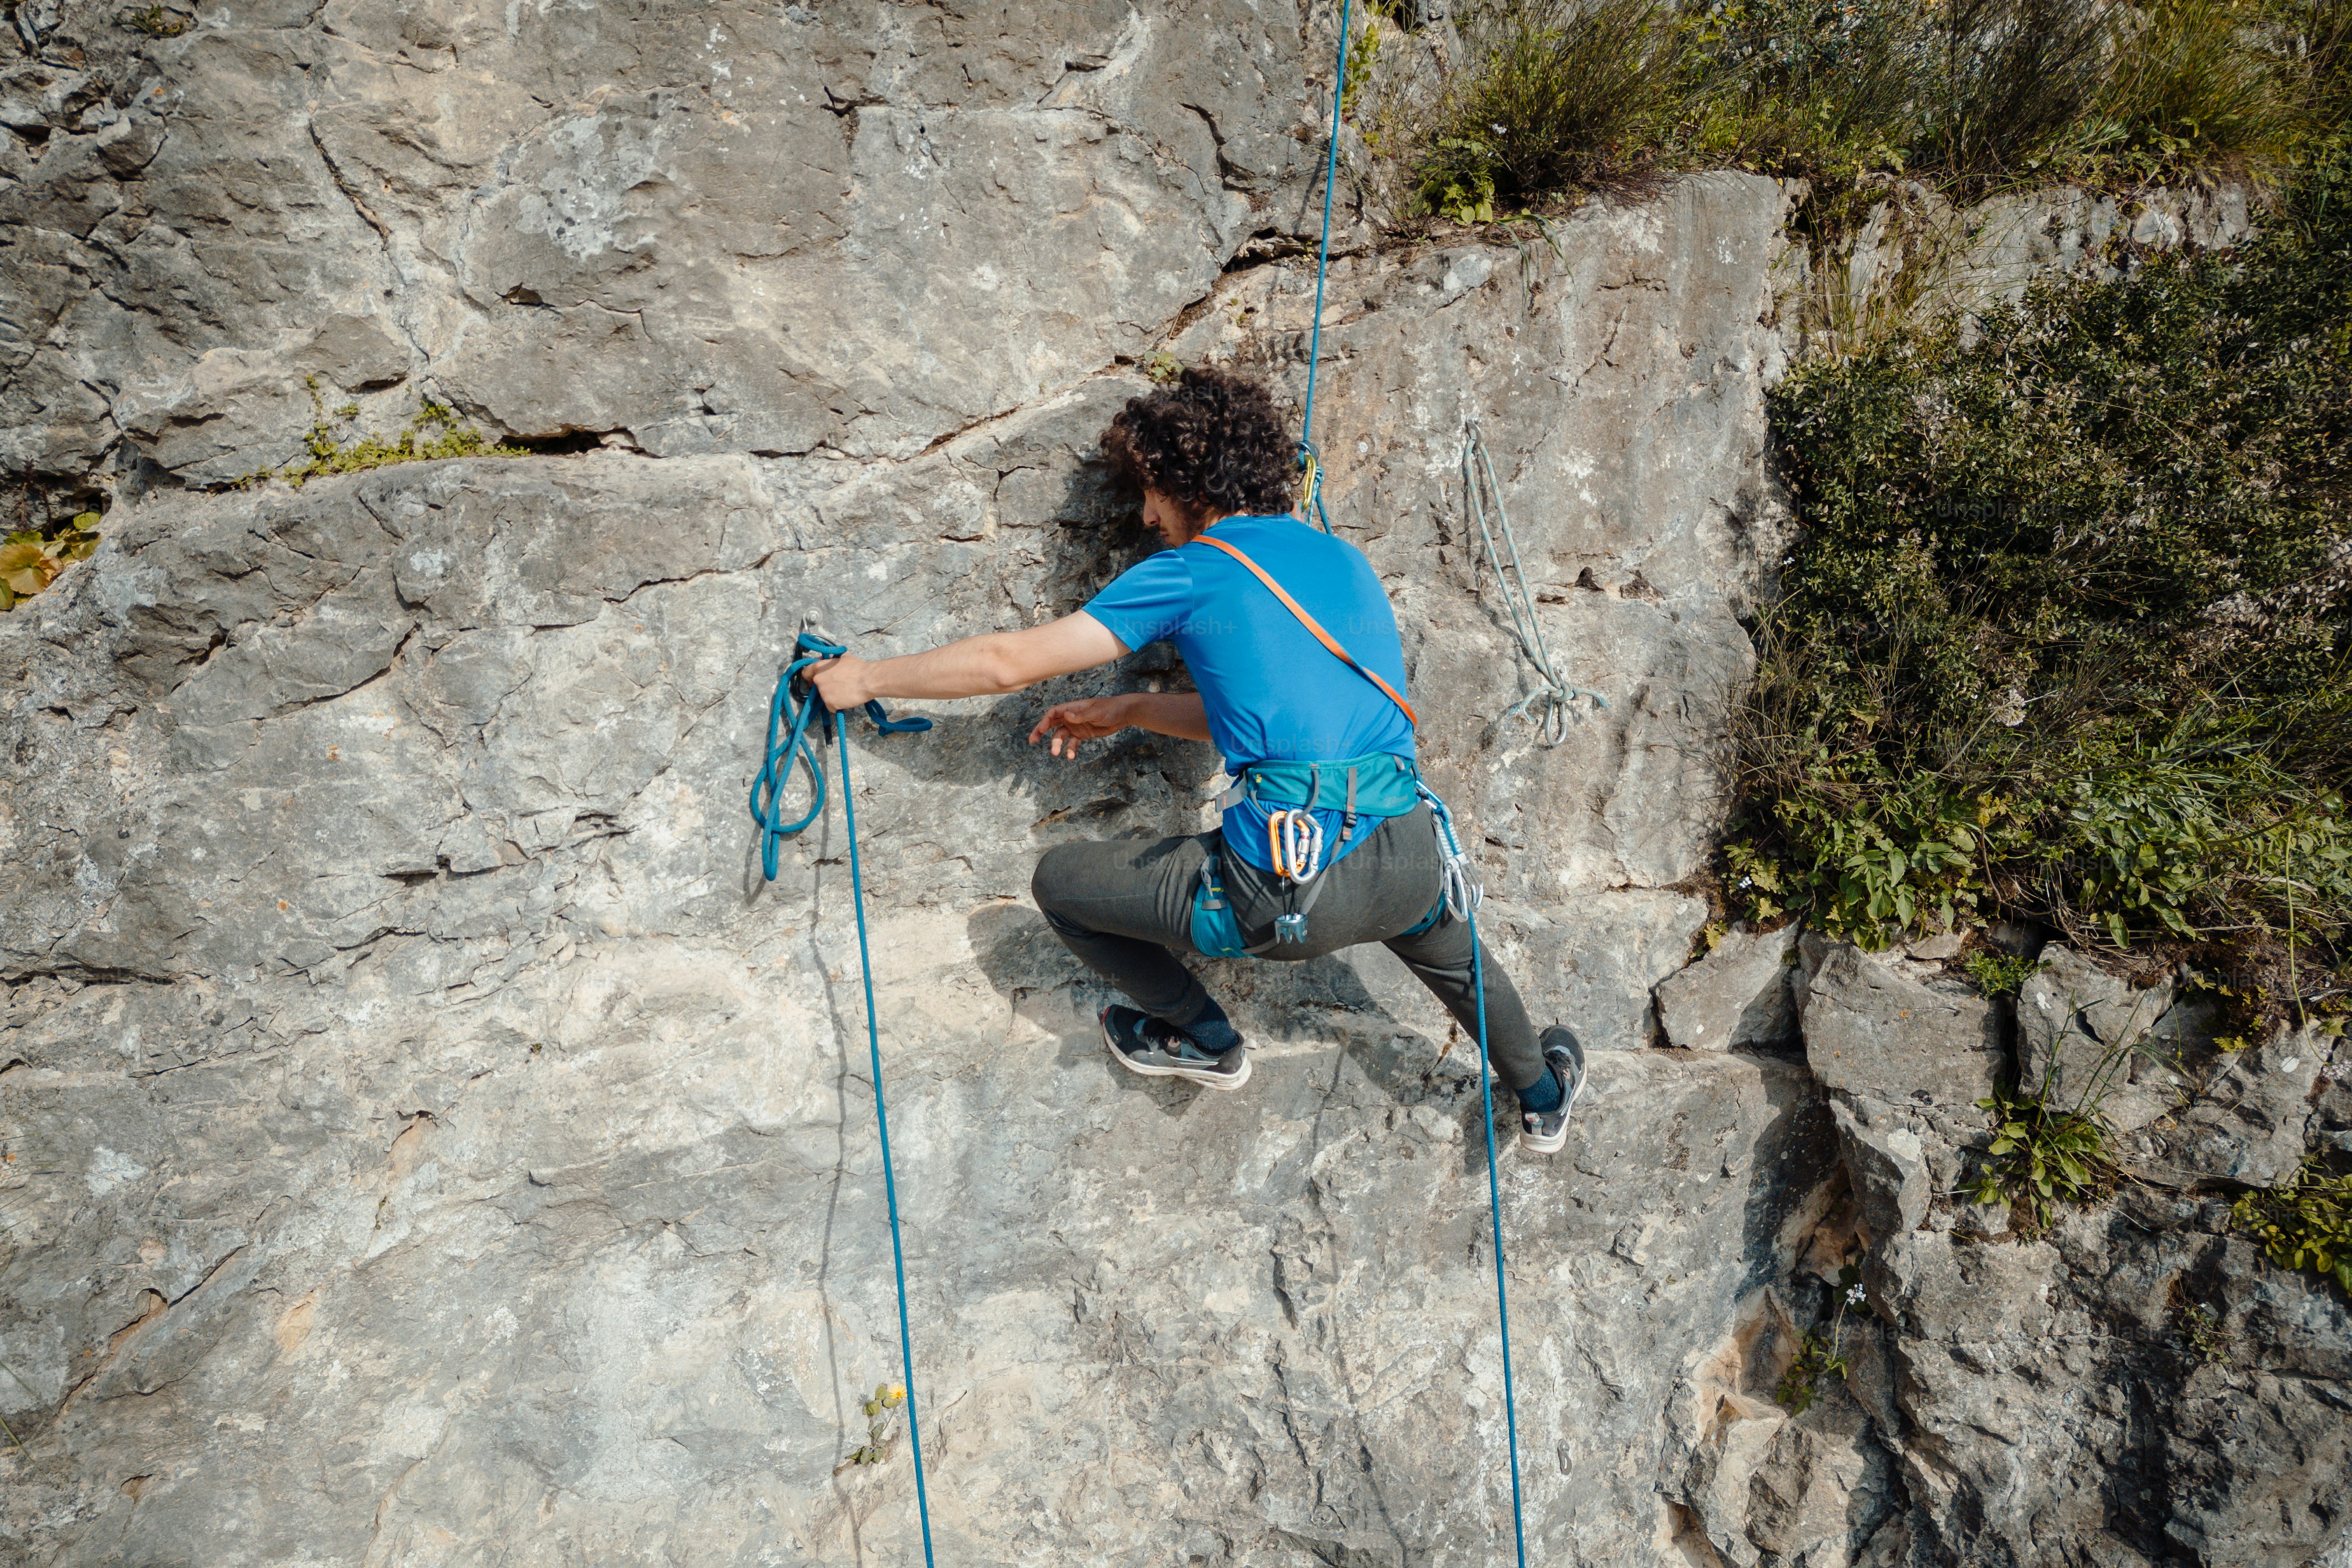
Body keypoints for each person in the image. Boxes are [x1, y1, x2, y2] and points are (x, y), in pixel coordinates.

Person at [810, 368, 1586, 1152]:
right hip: (1411, 851)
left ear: (1188, 481)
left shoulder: (1192, 569)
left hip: (1291, 891)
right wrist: (1131, 710)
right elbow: (1280, 722)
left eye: (1150, 491)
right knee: (1457, 959)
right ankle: (1543, 1093)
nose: (1147, 516)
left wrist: (865, 679)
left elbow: (1011, 662)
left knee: (1062, 884)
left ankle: (1205, 1039)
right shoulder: (1343, 561)